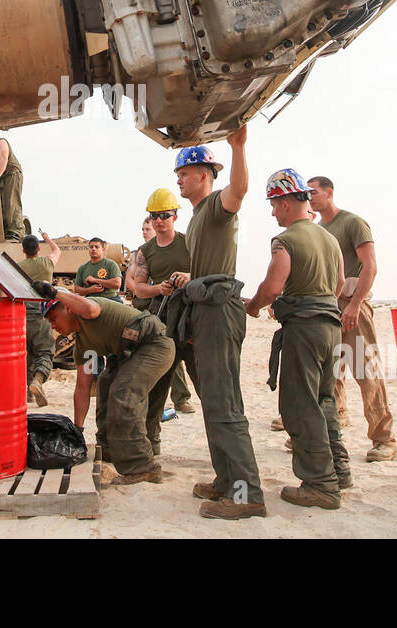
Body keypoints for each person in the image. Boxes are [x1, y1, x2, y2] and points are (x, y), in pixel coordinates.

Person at [170, 126, 265, 520]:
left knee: (224, 401)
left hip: (219, 309)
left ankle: (247, 495)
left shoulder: (215, 207)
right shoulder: (196, 217)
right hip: (204, 309)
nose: (179, 179)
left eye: (184, 173)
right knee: (213, 398)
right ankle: (227, 480)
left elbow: (239, 192)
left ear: (206, 175)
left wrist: (238, 147)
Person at [245, 169, 351, 510]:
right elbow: (338, 286)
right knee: (324, 400)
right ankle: (339, 471)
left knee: (299, 405)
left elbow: (273, 286)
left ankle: (319, 485)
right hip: (331, 327)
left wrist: (256, 306)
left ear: (287, 202)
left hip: (304, 330)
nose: (273, 213)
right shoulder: (329, 239)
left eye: (274, 205)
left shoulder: (286, 241)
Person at [36, 283, 174, 485]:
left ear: (67, 307)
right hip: (128, 353)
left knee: (124, 393)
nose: (52, 325)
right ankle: (110, 449)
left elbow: (89, 309)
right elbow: (83, 389)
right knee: (105, 384)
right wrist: (78, 431)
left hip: (153, 345)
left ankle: (142, 467)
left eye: (53, 317)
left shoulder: (88, 310)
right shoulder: (84, 346)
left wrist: (56, 292)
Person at [309, 175, 397, 462]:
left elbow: (370, 267)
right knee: (330, 371)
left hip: (353, 305)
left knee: (366, 371)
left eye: (314, 192)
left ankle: (384, 440)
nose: (310, 197)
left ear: (329, 193)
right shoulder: (320, 229)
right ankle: (338, 420)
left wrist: (356, 304)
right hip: (329, 307)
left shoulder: (352, 223)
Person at [130, 188, 195, 422]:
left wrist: (188, 276)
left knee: (207, 385)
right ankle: (151, 444)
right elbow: (139, 287)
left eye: (164, 215)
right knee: (157, 390)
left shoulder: (189, 242)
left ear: (175, 216)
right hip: (163, 322)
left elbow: (208, 272)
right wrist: (159, 288)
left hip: (192, 322)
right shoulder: (145, 252)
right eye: (154, 216)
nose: (158, 221)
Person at [17, 231, 62, 406]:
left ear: (23, 250)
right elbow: (57, 250)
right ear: (38, 248)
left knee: (26, 354)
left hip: (23, 315)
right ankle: (38, 379)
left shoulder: (18, 267)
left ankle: (27, 393)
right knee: (44, 351)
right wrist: (48, 237)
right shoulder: (46, 263)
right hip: (43, 314)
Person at [73, 237, 123, 302]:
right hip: (91, 300)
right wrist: (90, 290)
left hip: (110, 299)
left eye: (97, 247)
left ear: (103, 249)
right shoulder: (83, 268)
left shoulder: (111, 264)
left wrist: (95, 280)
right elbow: (77, 289)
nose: (93, 249)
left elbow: (117, 284)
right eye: (91, 247)